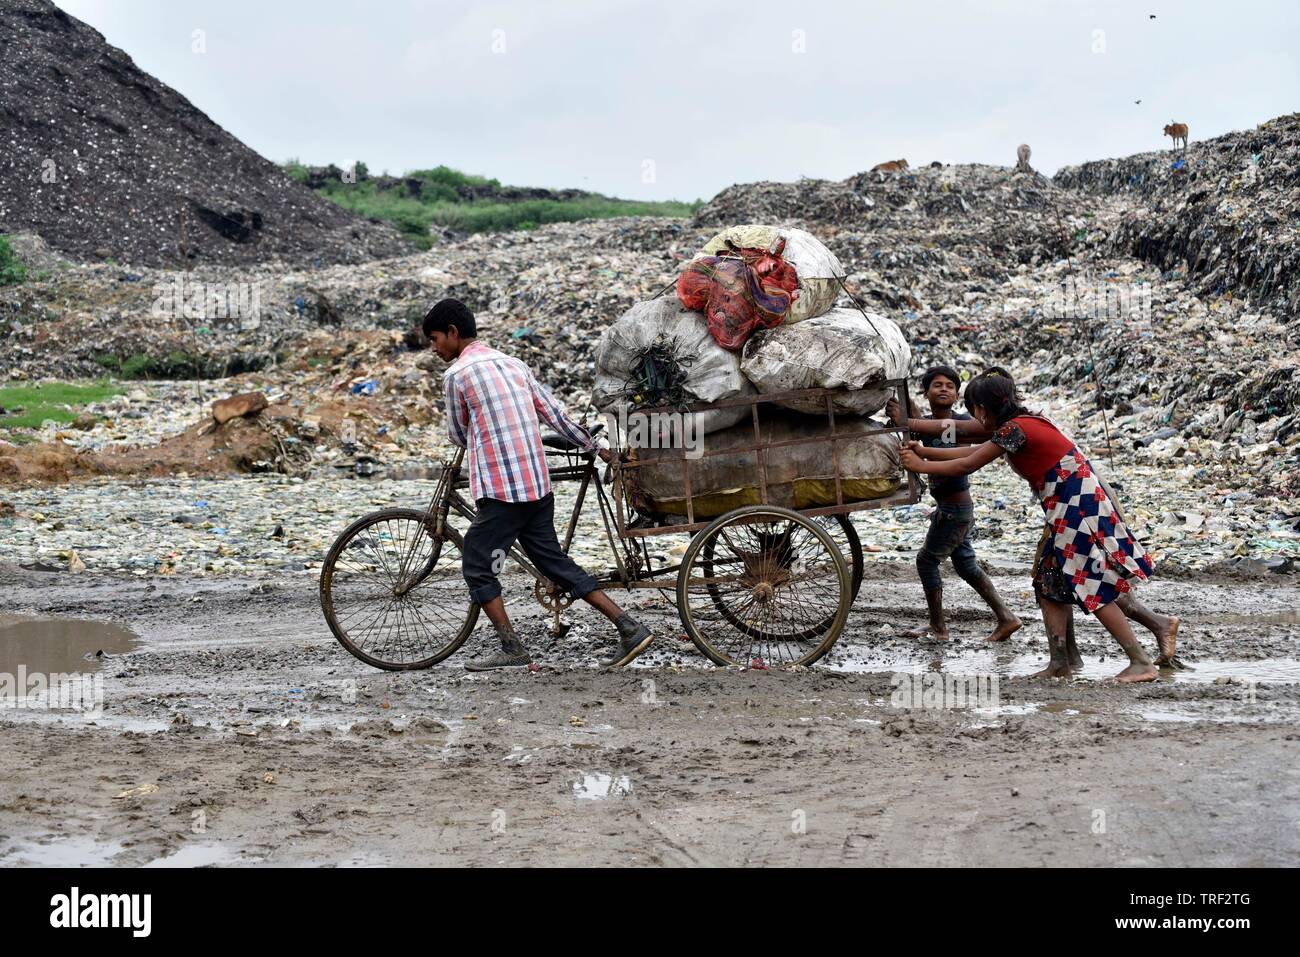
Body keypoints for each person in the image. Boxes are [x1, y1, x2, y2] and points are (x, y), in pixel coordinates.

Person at [899, 374, 1178, 682]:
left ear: (981, 408)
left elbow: (968, 463)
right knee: (1047, 582)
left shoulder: (1016, 429)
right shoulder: (1019, 424)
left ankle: (1140, 662)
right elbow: (971, 452)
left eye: (974, 408)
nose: (976, 416)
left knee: (1090, 584)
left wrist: (921, 465)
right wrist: (925, 454)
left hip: (1076, 508)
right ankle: (1060, 664)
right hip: (1067, 507)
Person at [424, 298, 654, 671]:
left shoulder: (457, 376)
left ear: (452, 333)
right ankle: (629, 627)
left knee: (478, 565)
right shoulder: (514, 365)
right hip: (536, 486)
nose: (434, 349)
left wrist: (485, 434)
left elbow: (458, 434)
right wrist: (594, 447)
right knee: (554, 562)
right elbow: (554, 414)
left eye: (434, 339)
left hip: (502, 490)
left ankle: (512, 647)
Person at [886, 366, 1021, 642]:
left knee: (925, 562)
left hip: (954, 510)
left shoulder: (959, 424)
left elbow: (947, 441)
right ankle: (1006, 617)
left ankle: (939, 628)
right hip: (951, 509)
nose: (944, 389)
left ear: (958, 395)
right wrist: (906, 414)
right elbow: (922, 428)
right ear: (926, 393)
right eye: (937, 385)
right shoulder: (928, 423)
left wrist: (914, 429)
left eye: (950, 385)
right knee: (965, 565)